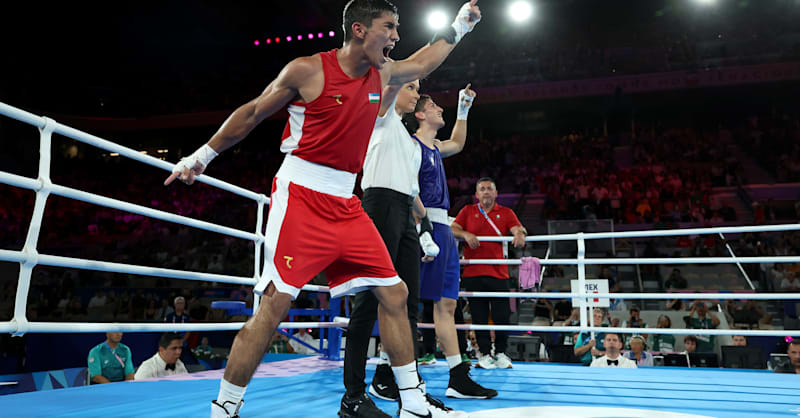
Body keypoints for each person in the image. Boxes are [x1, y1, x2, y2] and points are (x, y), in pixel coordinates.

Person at [163, 1, 483, 416]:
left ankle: (412, 402)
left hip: (347, 202)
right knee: (275, 305)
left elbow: (424, 61)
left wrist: (461, 26)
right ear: (360, 30)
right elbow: (254, 111)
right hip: (301, 194)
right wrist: (201, 156)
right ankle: (224, 407)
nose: (396, 36)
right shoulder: (308, 70)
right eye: (389, 27)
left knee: (395, 293)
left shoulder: (382, 74)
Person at [343, 78, 439, 410]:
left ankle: (410, 389)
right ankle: (353, 394)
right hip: (379, 205)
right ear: (394, 88)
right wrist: (396, 75)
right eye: (410, 87)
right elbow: (387, 84)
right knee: (369, 302)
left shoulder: (408, 141)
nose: (417, 94)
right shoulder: (380, 115)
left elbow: (411, 191)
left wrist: (425, 225)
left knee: (409, 304)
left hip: (405, 213)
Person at [451, 178, 526, 370]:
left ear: (496, 193)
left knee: (502, 316)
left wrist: (519, 235)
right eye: (482, 189)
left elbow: (517, 228)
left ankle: (501, 352)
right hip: (473, 272)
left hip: (499, 273)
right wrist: (466, 234)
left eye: (489, 189)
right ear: (477, 194)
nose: (486, 192)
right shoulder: (467, 211)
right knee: (479, 316)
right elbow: (453, 228)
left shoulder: (506, 212)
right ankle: (484, 354)